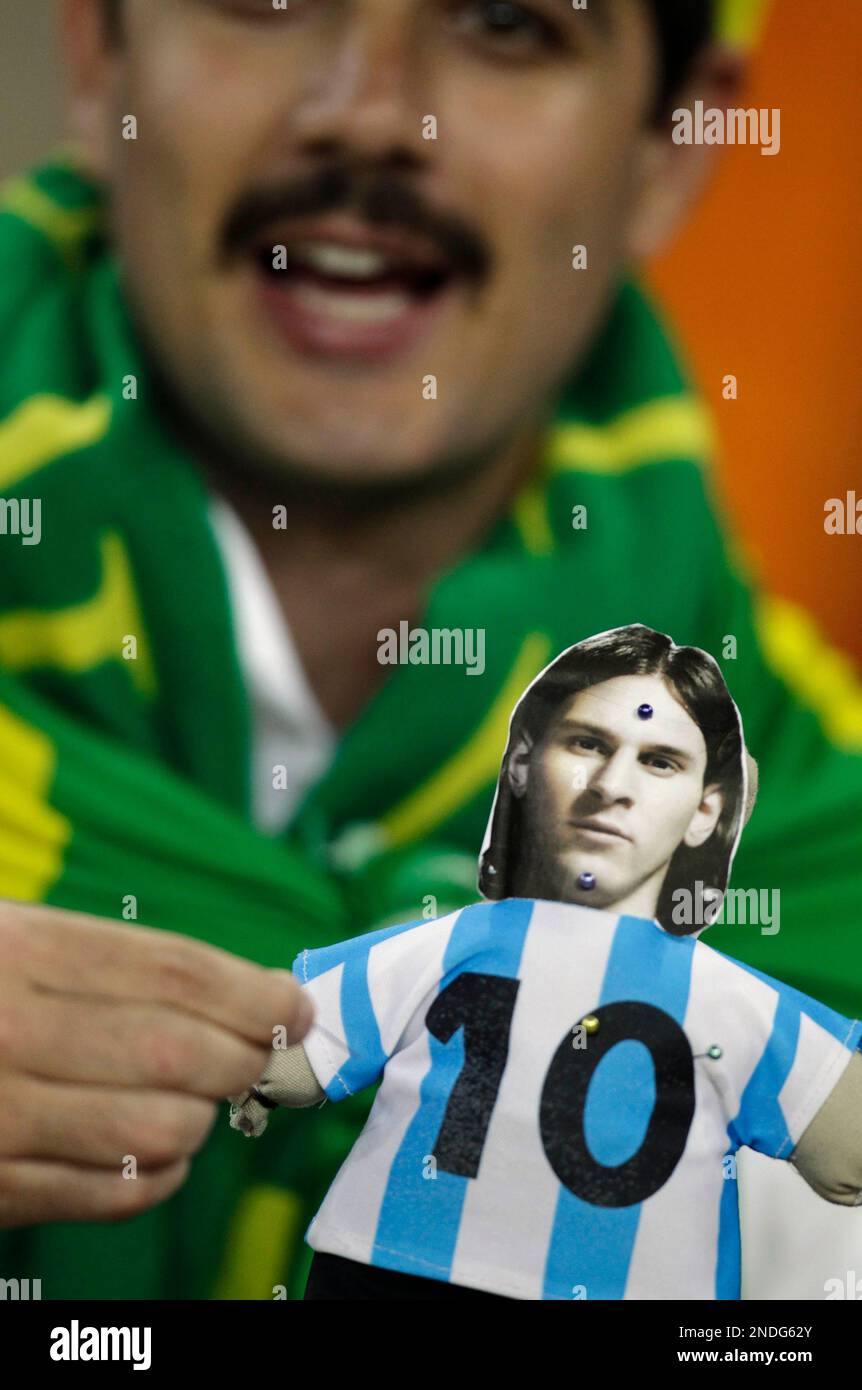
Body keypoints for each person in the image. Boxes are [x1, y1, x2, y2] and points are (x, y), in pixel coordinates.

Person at [0, 0, 860, 1300]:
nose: (368, 110)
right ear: (96, 55)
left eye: (509, 23)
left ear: (670, 143)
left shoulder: (823, 851)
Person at [230, 628, 862, 1301]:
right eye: (588, 744)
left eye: (659, 762)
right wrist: (254, 1066)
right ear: (525, 764)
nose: (612, 786)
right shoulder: (450, 944)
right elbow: (299, 1035)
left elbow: (841, 1136)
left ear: (709, 809)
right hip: (391, 1270)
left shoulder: (729, 1002)